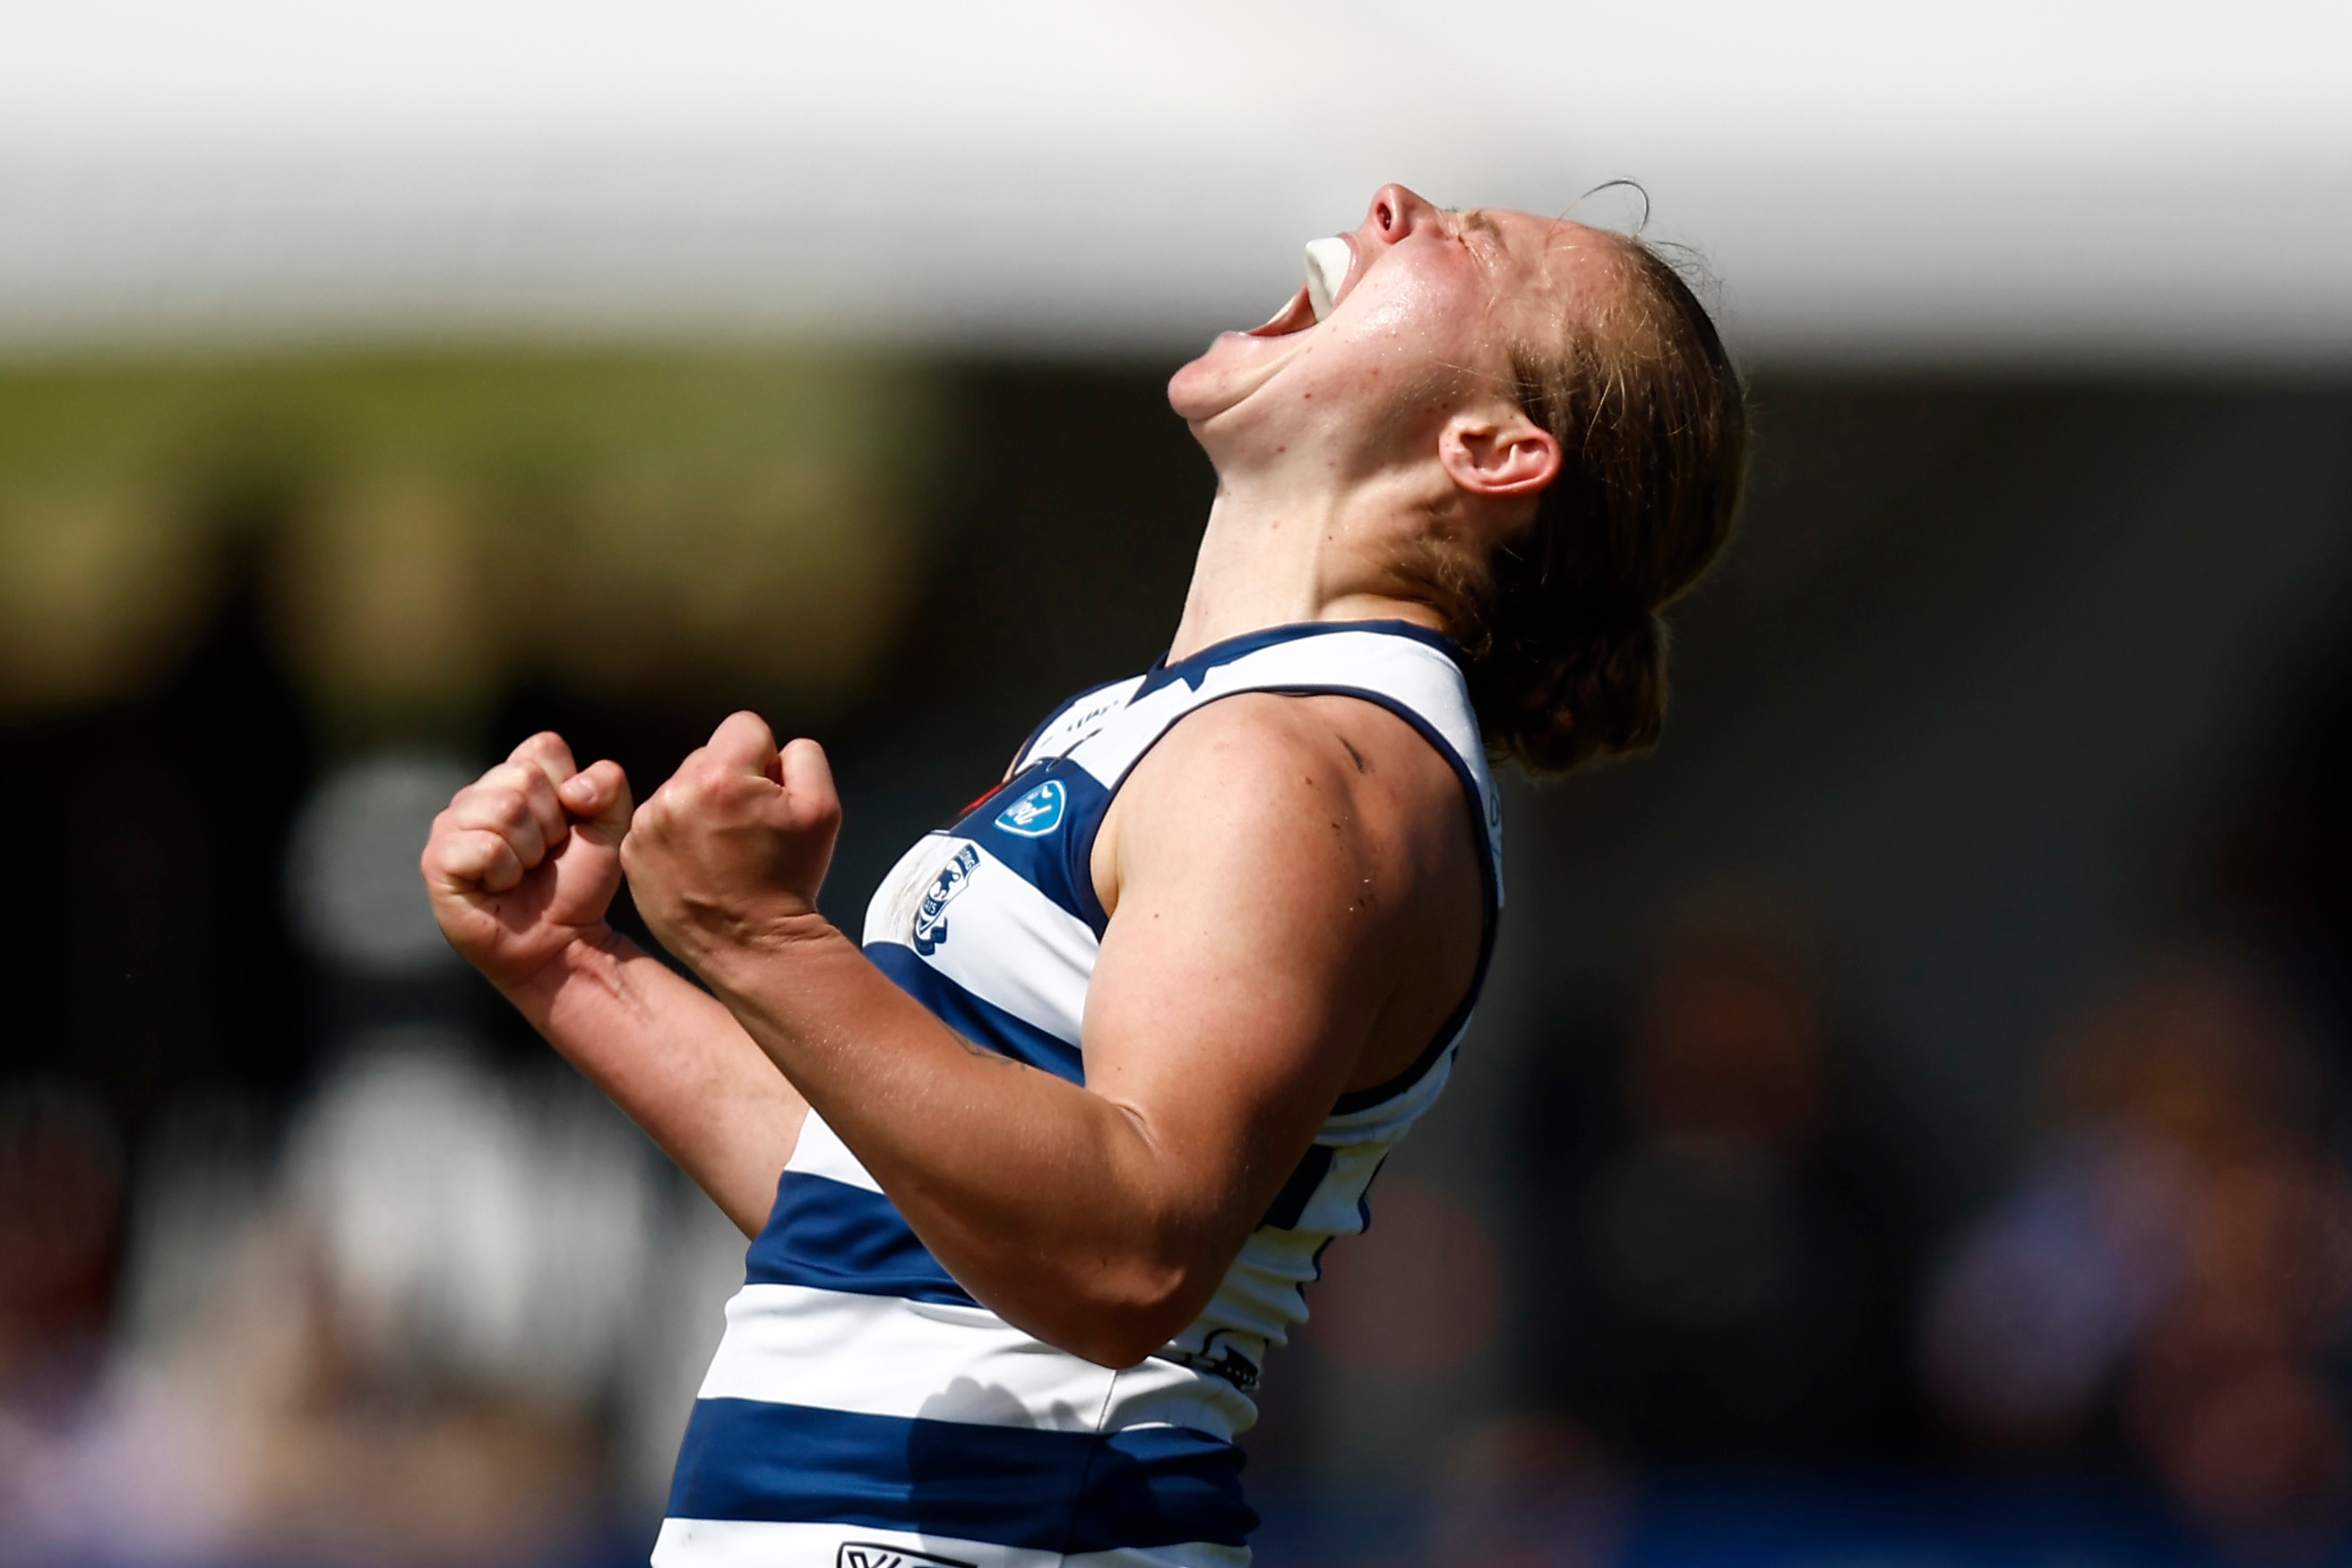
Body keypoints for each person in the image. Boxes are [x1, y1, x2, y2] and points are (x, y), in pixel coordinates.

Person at [420, 184, 1745, 1567]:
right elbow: (890, 1212)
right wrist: (574, 963)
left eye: (1471, 245)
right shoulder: (1187, 724)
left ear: (1489, 449)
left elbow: (1125, 1255)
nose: (1394, 204)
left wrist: (760, 940)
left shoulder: (1303, 763)